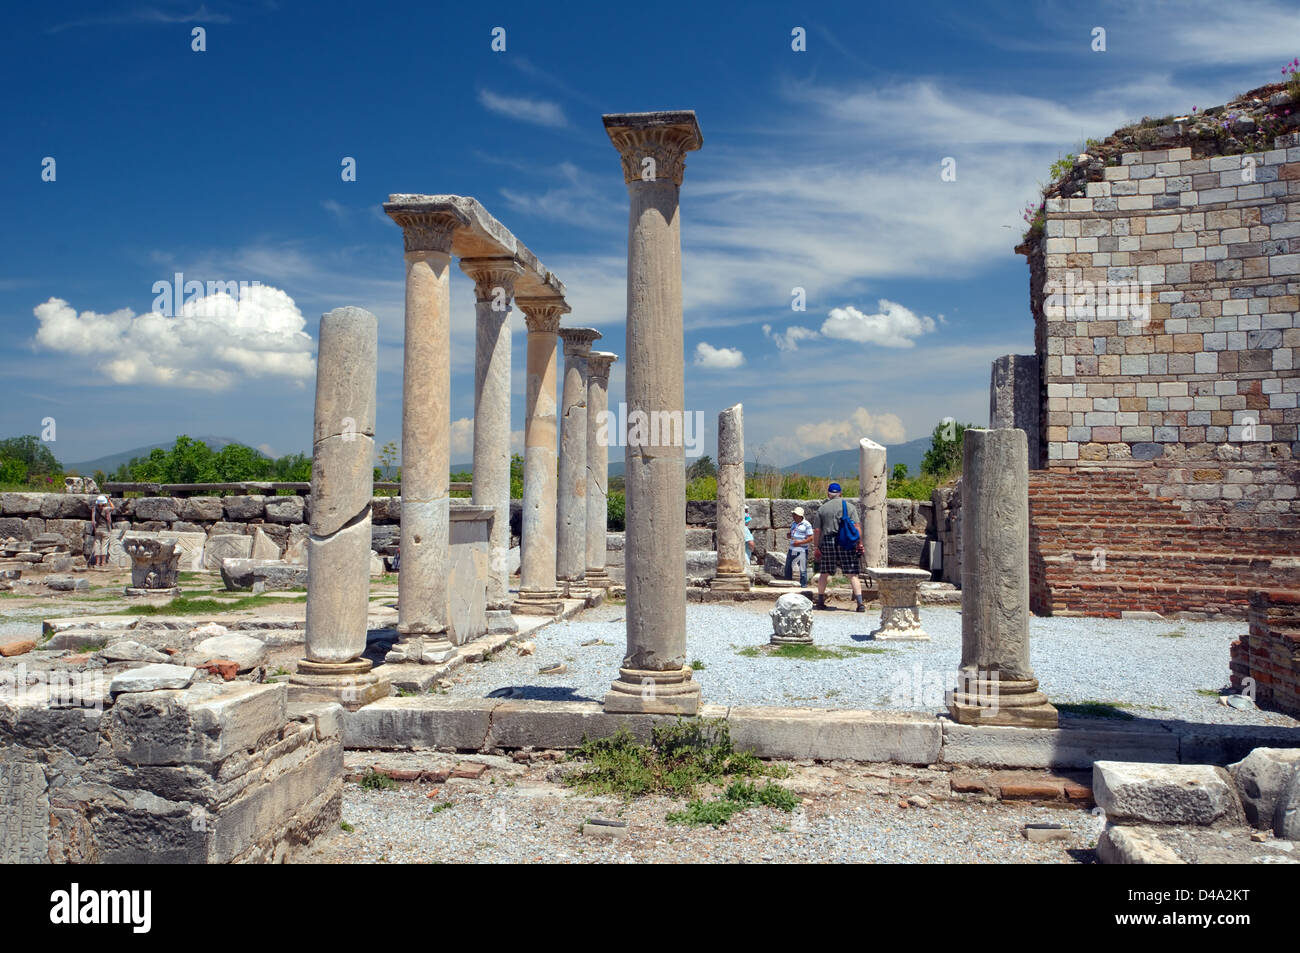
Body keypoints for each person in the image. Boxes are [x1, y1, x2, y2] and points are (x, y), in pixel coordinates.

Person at [812, 482, 866, 611]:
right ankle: (860, 604)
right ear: (841, 493)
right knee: (852, 574)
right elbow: (857, 528)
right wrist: (859, 544)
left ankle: (820, 601)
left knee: (824, 573)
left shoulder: (822, 509)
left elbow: (817, 531)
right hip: (846, 542)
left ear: (828, 494)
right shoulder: (850, 507)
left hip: (828, 541)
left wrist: (817, 547)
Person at [90, 494, 114, 569]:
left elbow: (93, 521)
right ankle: (103, 562)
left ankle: (97, 562)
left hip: (97, 529)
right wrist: (109, 500)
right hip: (106, 529)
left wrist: (94, 529)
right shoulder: (107, 509)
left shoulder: (94, 509)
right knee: (104, 545)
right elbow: (113, 507)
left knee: (97, 545)